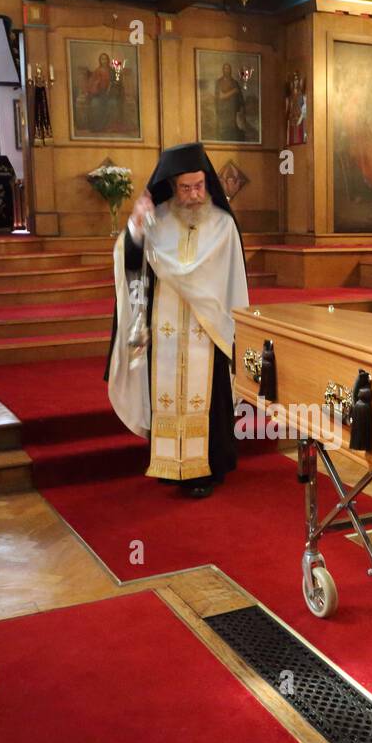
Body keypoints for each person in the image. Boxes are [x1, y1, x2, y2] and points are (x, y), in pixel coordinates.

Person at [104, 143, 249, 499]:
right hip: (165, 329)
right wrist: (135, 228)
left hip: (209, 329)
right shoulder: (158, 219)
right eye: (185, 187)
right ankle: (171, 469)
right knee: (167, 394)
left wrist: (235, 332)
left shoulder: (223, 225)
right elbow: (131, 260)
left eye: (199, 185)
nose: (194, 194)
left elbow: (234, 283)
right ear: (172, 186)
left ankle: (208, 468)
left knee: (209, 401)